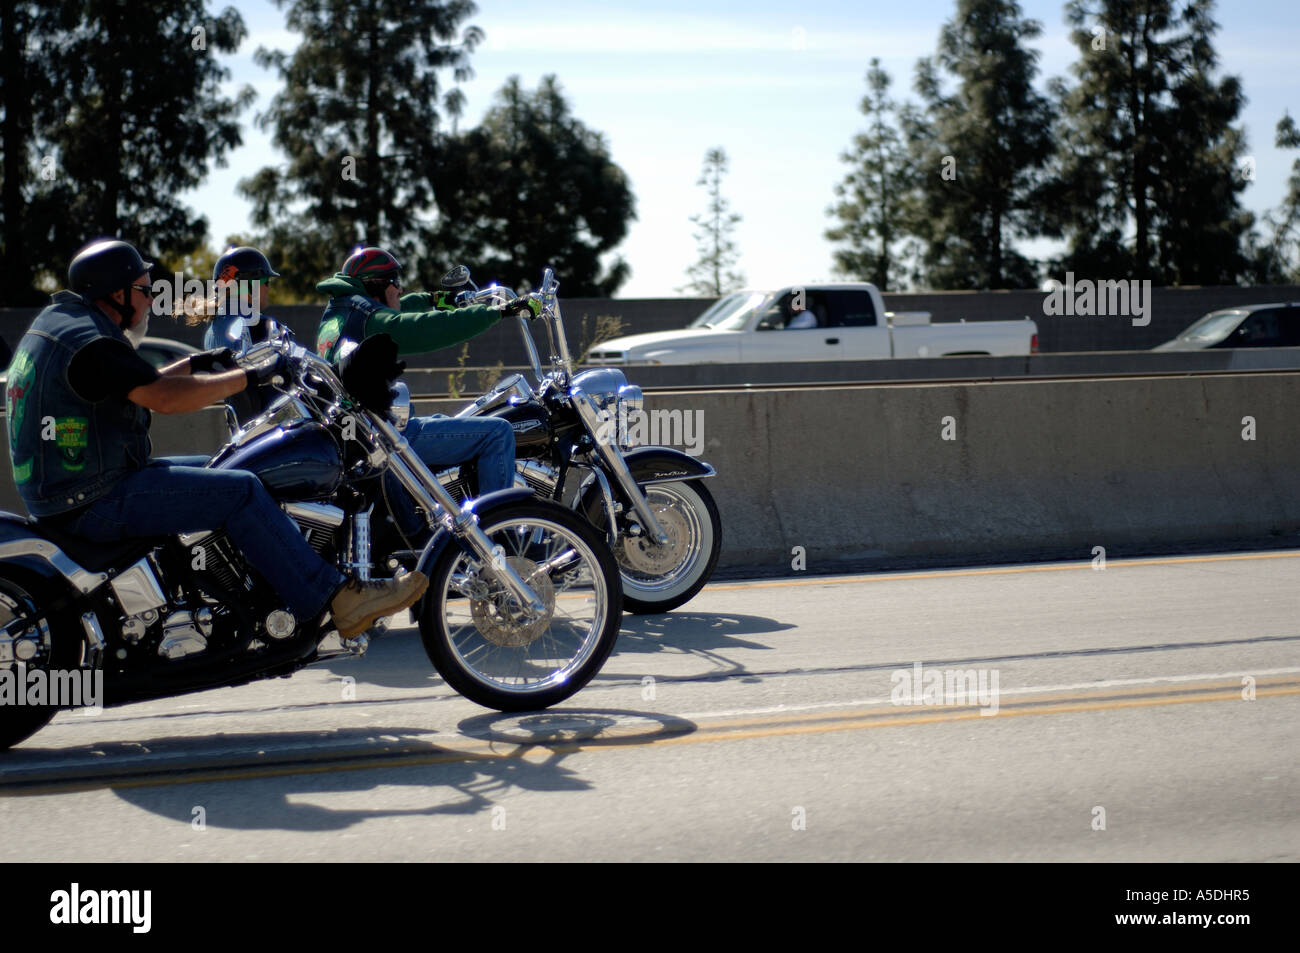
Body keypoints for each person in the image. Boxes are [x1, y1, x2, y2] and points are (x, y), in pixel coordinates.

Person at [4, 238, 426, 639]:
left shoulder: (67, 325)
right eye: (143, 290)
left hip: (79, 486)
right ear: (115, 293)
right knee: (240, 489)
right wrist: (250, 375)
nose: (151, 299)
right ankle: (336, 598)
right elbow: (163, 399)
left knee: (218, 468)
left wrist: (195, 363)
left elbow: (138, 384)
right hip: (93, 496)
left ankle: (236, 594)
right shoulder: (90, 340)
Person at [315, 247, 538, 500]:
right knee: (498, 433)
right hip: (382, 436)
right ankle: (499, 527)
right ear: (376, 286)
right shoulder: (368, 317)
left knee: (446, 419)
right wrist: (498, 312)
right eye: (395, 282)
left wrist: (438, 300)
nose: (400, 288)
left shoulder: (342, 311)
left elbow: (400, 308)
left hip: (358, 432)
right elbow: (422, 328)